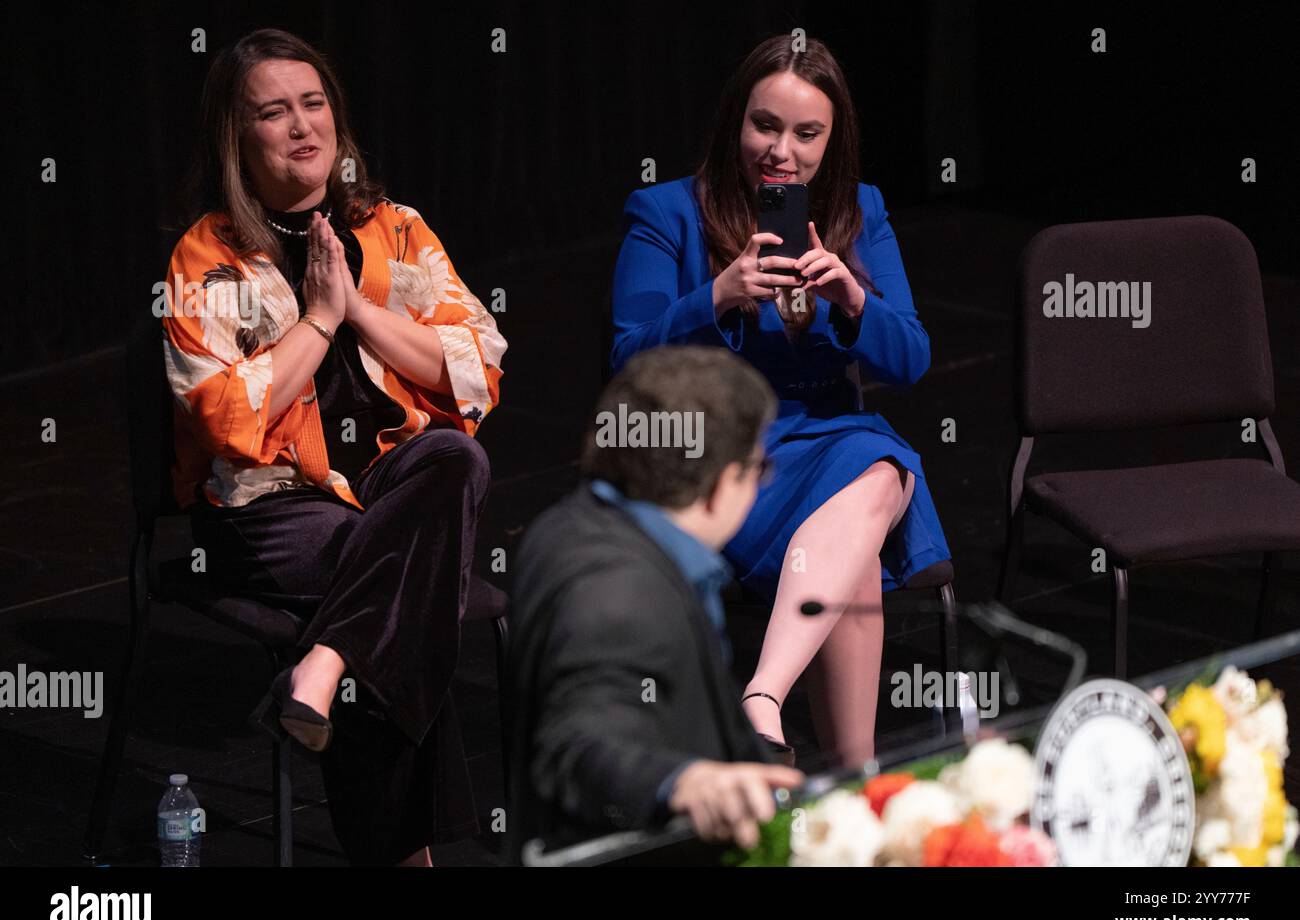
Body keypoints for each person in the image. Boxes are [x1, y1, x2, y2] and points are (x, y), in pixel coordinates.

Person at [160, 28, 507, 866]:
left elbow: (475, 364)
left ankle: (320, 664)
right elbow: (226, 419)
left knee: (457, 460)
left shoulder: (394, 230)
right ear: (236, 139)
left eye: (313, 104)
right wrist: (317, 318)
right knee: (399, 579)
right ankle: (408, 859)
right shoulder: (206, 261)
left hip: (389, 479)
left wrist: (354, 309)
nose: (302, 126)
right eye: (273, 114)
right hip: (269, 504)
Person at [610, 35, 951, 767]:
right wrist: (715, 299)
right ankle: (853, 784)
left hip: (827, 440)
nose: (782, 152)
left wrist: (855, 300)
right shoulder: (666, 211)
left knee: (877, 465)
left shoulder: (861, 212)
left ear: (833, 140)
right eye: (765, 125)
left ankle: (763, 701)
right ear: (736, 122)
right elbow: (626, 363)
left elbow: (914, 358)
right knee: (870, 507)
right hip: (709, 458)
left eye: (806, 133)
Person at [507, 346, 805, 861]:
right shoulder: (619, 592)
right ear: (719, 486)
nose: (762, 483)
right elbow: (580, 741)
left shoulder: (570, 523)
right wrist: (681, 781)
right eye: (758, 468)